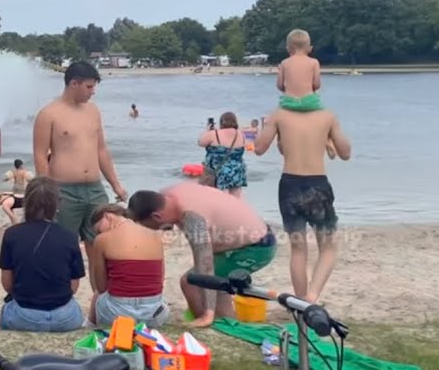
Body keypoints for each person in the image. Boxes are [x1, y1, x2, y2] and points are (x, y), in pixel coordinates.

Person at [127, 183, 277, 327]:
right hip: (250, 236)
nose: (157, 230)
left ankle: (207, 323)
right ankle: (227, 323)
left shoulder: (192, 219)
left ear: (156, 217)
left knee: (191, 282)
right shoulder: (167, 195)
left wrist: (208, 313)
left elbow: (205, 265)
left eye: (147, 226)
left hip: (257, 247)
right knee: (218, 286)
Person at [32, 61, 126, 291]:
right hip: (63, 189)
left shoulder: (93, 111)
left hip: (94, 188)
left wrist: (116, 184)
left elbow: (101, 150)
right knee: (62, 245)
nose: (92, 92)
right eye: (89, 87)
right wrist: (47, 192)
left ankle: (100, 297)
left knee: (101, 244)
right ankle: (60, 296)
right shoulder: (49, 114)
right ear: (74, 84)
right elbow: (40, 155)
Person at [254, 104, 352, 303]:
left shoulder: (280, 116)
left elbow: (264, 149)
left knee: (298, 249)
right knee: (328, 247)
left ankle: (300, 301)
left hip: (289, 184)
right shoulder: (326, 116)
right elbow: (345, 153)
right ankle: (312, 296)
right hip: (316, 183)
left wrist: (272, 128)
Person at [0, 177, 86, 332]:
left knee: (6, 311)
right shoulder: (70, 237)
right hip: (64, 317)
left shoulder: (12, 234)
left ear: (25, 202)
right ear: (57, 204)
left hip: (24, 316)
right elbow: (73, 287)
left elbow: (7, 284)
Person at [88, 205, 169, 329]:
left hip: (118, 316)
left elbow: (101, 287)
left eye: (99, 229)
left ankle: (90, 323)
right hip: (153, 314)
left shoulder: (102, 240)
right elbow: (160, 278)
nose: (99, 233)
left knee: (99, 297)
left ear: (107, 216)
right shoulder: (154, 235)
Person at [198, 111, 247, 197]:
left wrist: (207, 131)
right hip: (237, 169)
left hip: (218, 170)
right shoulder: (241, 134)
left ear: (221, 122)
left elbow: (200, 143)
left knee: (217, 196)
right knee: (235, 196)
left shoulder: (214, 134)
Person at [277, 29, 322, 111]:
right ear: (310, 48)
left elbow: (280, 86)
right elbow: (317, 85)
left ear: (288, 48)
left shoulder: (284, 63)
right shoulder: (314, 62)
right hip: (309, 101)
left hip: (289, 101)